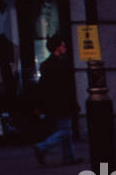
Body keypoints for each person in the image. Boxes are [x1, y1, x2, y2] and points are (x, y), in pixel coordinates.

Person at [32, 33, 80, 166]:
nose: (65, 48)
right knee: (65, 131)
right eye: (63, 45)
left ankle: (69, 157)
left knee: (66, 129)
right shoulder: (62, 64)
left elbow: (42, 86)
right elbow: (67, 87)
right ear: (57, 48)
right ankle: (42, 147)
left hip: (53, 103)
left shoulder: (46, 65)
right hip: (63, 102)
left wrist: (40, 105)